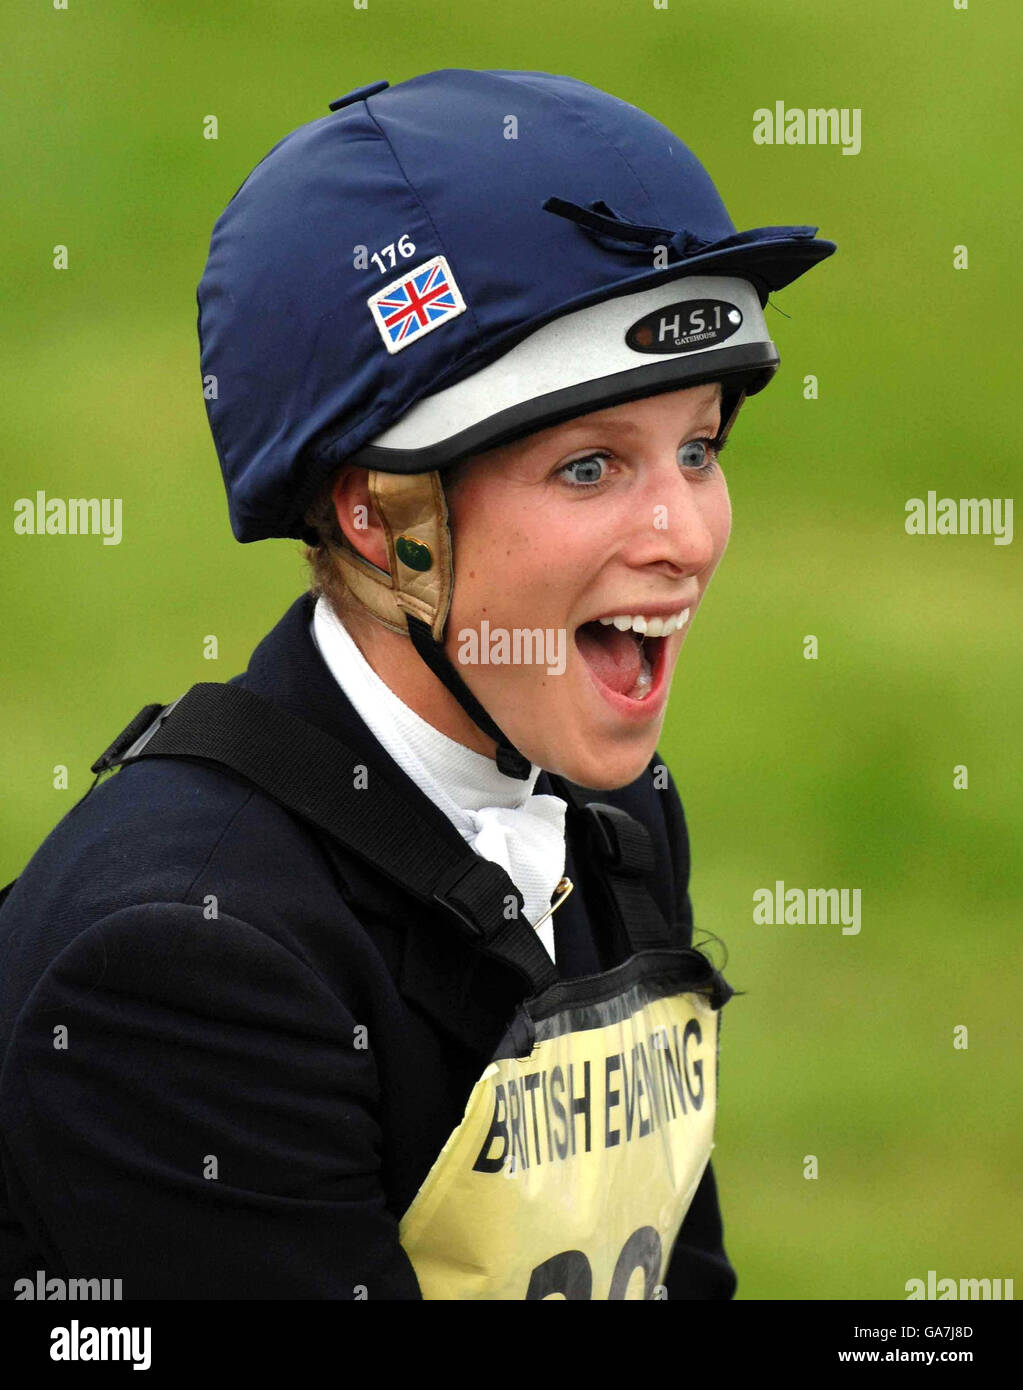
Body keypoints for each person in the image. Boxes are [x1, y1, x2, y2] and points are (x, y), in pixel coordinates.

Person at [0, 69, 835, 1300]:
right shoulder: (185, 963)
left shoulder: (610, 813)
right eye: (593, 466)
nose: (689, 533)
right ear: (386, 519)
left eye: (699, 447)